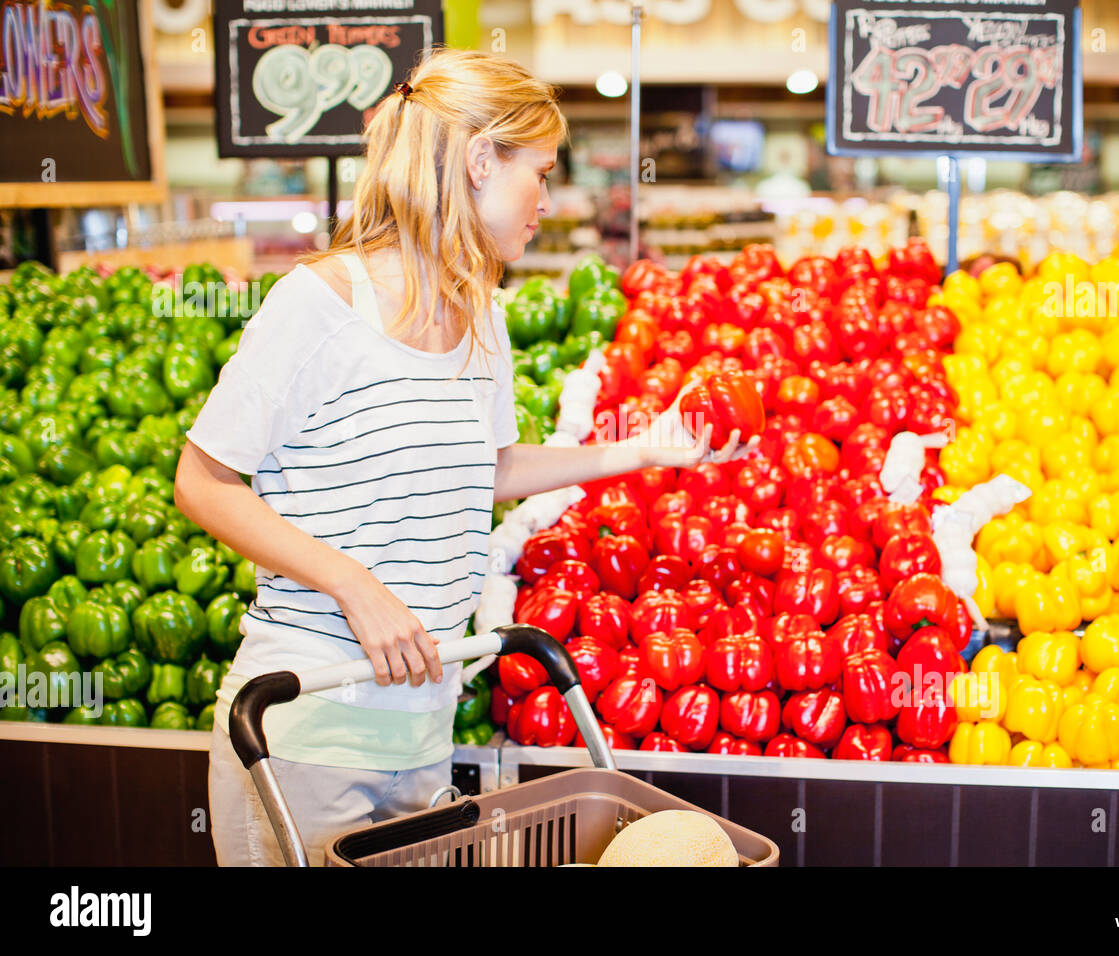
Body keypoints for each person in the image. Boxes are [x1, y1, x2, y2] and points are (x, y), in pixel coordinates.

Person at [176, 48, 757, 867]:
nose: (548, 202)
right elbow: (202, 481)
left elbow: (490, 471)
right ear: (481, 160)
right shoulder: (320, 303)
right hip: (302, 733)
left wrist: (646, 449)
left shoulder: (480, 313)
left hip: (420, 734)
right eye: (541, 172)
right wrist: (353, 583)